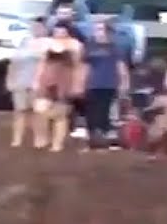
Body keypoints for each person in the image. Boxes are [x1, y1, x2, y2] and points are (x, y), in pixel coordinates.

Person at [31, 21, 83, 152]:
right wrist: (36, 80)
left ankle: (57, 143)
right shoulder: (47, 44)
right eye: (57, 31)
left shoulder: (75, 45)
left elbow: (78, 67)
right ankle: (42, 137)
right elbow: (41, 63)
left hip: (64, 81)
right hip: (47, 79)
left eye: (62, 31)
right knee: (40, 110)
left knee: (60, 114)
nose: (59, 34)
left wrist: (77, 84)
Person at [82, 20, 130, 150]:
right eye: (96, 29)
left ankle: (102, 141)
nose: (97, 32)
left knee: (103, 113)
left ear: (108, 32)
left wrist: (124, 84)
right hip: (92, 84)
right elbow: (85, 67)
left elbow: (121, 67)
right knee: (90, 114)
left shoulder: (115, 48)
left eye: (100, 29)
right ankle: (92, 141)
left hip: (109, 84)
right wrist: (82, 83)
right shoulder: (89, 47)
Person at [6, 18, 47, 148]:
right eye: (35, 26)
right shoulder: (24, 42)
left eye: (40, 27)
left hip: (38, 83)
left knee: (38, 112)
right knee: (19, 111)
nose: (36, 29)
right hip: (21, 81)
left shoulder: (48, 44)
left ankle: (39, 138)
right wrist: (10, 79)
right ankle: (17, 138)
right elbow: (13, 63)